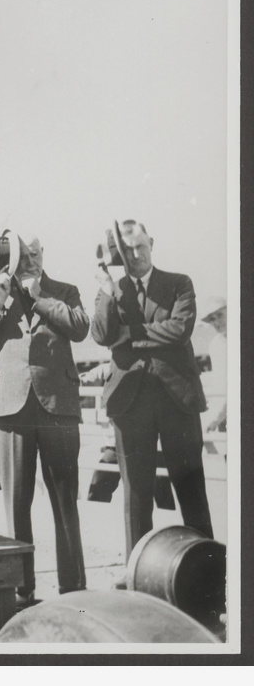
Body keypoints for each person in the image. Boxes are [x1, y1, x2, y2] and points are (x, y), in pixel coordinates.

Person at [0, 231, 89, 605]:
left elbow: (81, 327)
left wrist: (40, 298)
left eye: (37, 253)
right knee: (16, 502)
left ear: (43, 253)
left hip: (58, 406)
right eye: (25, 255)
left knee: (66, 500)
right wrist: (1, 301)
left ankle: (72, 586)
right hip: (10, 408)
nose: (32, 260)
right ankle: (22, 587)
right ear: (13, 258)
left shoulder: (64, 290)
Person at [91, 219, 214, 579]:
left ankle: (208, 575)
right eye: (127, 249)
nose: (136, 254)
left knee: (190, 489)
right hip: (130, 406)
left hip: (178, 400)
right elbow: (101, 335)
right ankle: (136, 577)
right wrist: (106, 291)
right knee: (135, 497)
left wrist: (130, 334)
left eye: (141, 246)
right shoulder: (113, 289)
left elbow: (179, 330)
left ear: (152, 242)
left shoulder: (178, 283)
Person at [81, 362, 175, 510]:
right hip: (117, 444)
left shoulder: (152, 367)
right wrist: (76, 380)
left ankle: (172, 527)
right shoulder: (110, 367)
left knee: (162, 492)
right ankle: (95, 520)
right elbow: (87, 378)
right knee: (99, 485)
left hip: (149, 443)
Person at [200, 296, 227, 434]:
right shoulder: (217, 345)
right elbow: (222, 386)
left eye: (220, 315)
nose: (216, 322)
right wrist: (213, 420)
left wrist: (213, 420)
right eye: (212, 318)